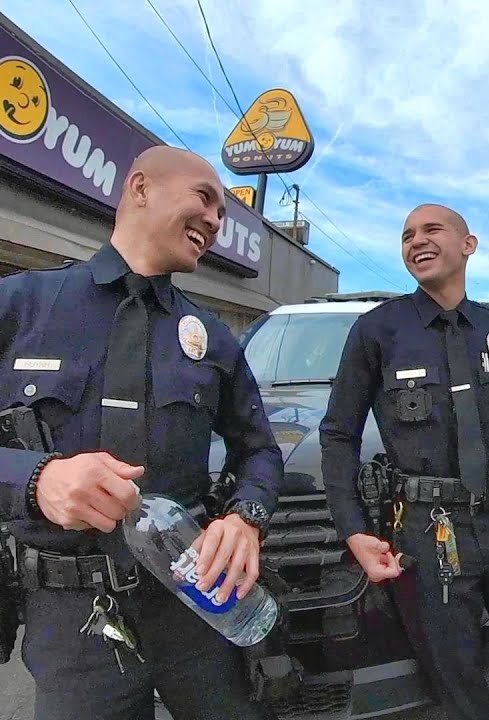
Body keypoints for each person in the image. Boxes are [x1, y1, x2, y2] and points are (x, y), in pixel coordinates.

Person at [0, 145, 284, 719]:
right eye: (204, 197)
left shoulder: (212, 337)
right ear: (140, 187)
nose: (214, 219)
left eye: (223, 214)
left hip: (196, 605)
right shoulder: (23, 306)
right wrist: (35, 479)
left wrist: (245, 518)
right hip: (73, 618)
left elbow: (259, 451)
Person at [319, 203, 489, 720]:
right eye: (407, 234)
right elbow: (338, 434)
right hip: (427, 533)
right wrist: (353, 530)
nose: (417, 240)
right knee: (458, 688)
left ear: (468, 244)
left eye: (432, 229)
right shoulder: (377, 332)